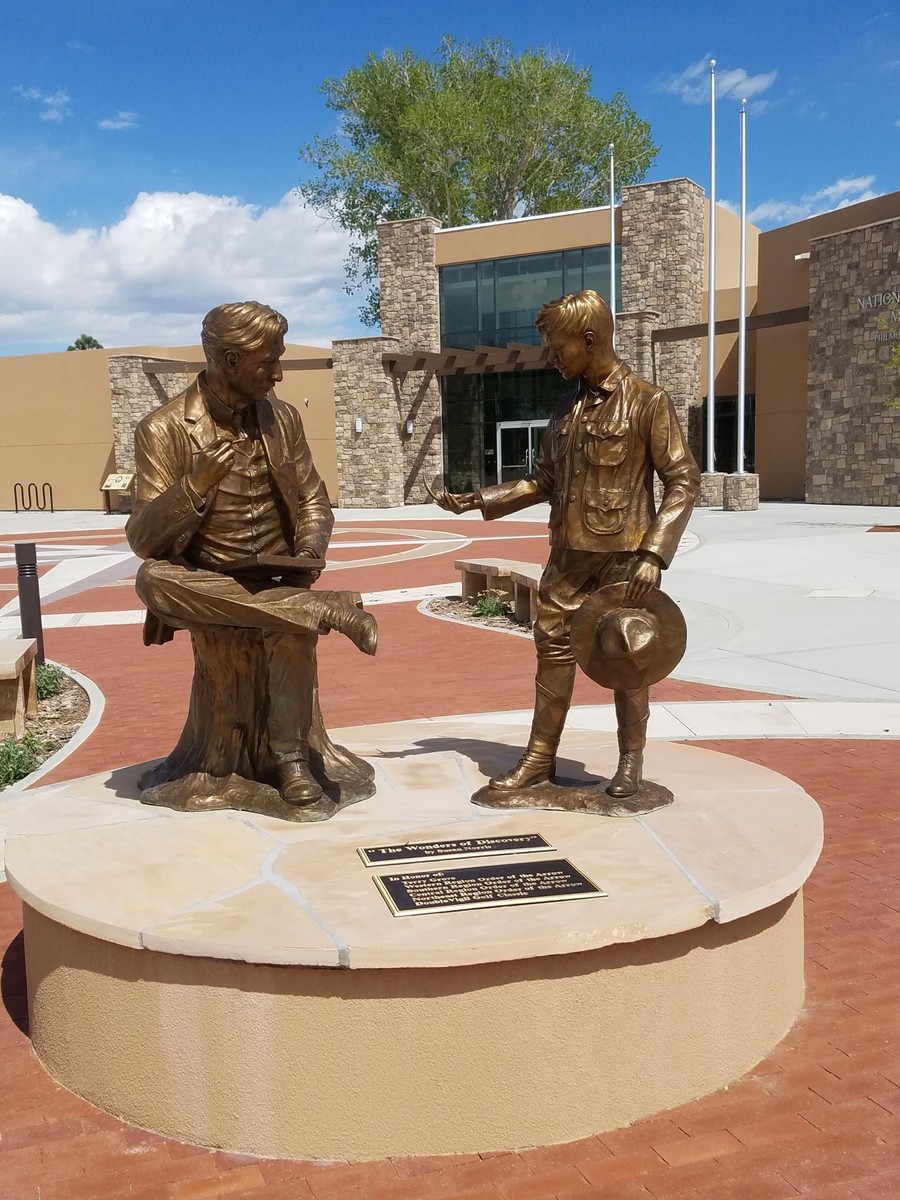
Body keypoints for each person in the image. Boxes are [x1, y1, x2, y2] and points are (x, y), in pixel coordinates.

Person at [431, 290, 700, 797]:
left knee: (629, 654)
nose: (552, 358)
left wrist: (654, 553)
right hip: (567, 558)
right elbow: (544, 480)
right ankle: (538, 760)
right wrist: (475, 499)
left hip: (625, 558)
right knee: (550, 650)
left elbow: (683, 479)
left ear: (590, 339)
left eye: (559, 348)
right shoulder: (564, 409)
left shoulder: (648, 401)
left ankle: (630, 763)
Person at [126, 301, 376, 807]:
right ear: (229, 360)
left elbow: (312, 498)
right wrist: (195, 485)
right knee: (152, 579)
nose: (279, 374)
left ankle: (289, 760)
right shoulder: (164, 429)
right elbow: (144, 539)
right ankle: (316, 607)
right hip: (210, 582)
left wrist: (308, 551)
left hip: (280, 578)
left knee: (288, 622)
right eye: (268, 363)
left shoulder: (281, 418)